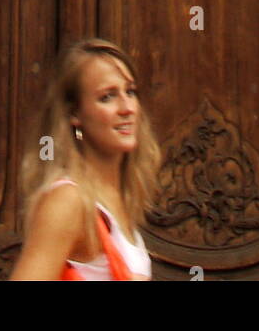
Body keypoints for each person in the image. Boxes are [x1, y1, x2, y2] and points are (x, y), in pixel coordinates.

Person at [9, 38, 159, 280]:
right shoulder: (68, 200)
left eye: (130, 92)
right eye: (107, 97)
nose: (127, 107)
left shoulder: (119, 198)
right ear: (74, 113)